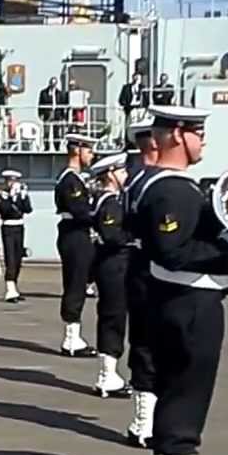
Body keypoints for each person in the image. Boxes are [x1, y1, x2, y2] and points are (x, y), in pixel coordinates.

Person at [136, 106, 228, 455]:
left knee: (181, 387)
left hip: (176, 299)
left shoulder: (160, 185)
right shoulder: (174, 191)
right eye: (199, 132)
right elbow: (172, 252)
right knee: (188, 389)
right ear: (179, 135)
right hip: (188, 302)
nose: (204, 141)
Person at [124, 118, 161, 446]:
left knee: (146, 346)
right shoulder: (149, 183)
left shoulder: (136, 182)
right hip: (152, 272)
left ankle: (143, 421)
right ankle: (144, 422)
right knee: (150, 347)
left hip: (141, 269)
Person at [89, 153, 132, 399]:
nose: (125, 175)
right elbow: (112, 235)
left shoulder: (111, 201)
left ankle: (109, 373)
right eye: (122, 171)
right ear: (111, 174)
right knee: (113, 318)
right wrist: (136, 239)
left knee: (113, 317)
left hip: (113, 265)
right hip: (114, 266)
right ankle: (107, 375)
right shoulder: (110, 203)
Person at [55, 133, 98, 357]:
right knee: (75, 284)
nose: (91, 155)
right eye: (88, 150)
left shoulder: (76, 179)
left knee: (79, 283)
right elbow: (80, 211)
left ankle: (74, 335)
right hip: (74, 235)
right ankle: (71, 339)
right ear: (77, 151)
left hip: (78, 234)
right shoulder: (70, 180)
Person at [0, 169, 32, 302]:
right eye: (10, 180)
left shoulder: (20, 194)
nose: (12, 183)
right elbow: (5, 210)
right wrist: (11, 197)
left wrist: (22, 196)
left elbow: (28, 209)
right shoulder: (1, 195)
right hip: (8, 226)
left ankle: (14, 287)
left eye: (14, 180)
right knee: (10, 258)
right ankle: (9, 290)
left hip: (20, 226)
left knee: (18, 258)